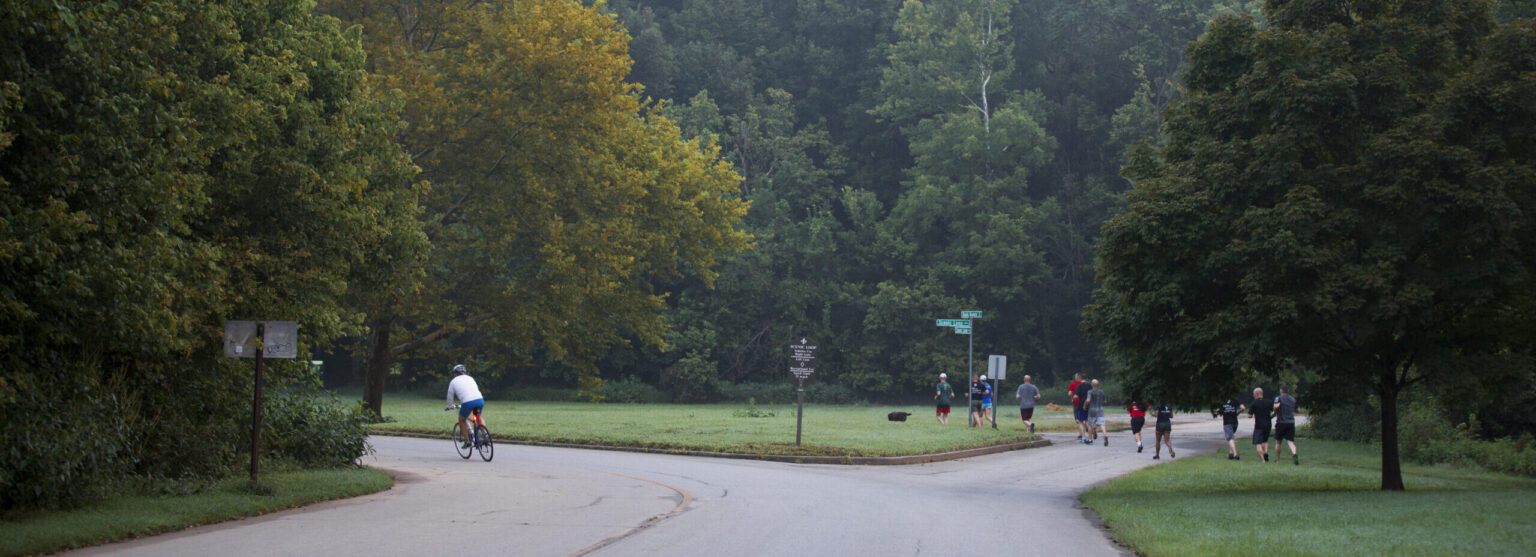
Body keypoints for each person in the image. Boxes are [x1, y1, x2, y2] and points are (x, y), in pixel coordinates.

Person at [445, 364, 485, 449]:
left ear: (455, 373)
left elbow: (450, 396)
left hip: (468, 403)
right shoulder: (470, 378)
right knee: (476, 417)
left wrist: (449, 405)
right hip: (479, 400)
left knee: (462, 420)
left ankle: (467, 441)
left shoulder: (453, 381)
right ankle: (485, 435)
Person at [1274, 385, 1299, 465]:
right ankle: (1294, 453)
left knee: (1278, 442)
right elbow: (1298, 410)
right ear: (1288, 391)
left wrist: (1275, 411)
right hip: (1291, 423)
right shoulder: (1293, 399)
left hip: (1281, 422)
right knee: (1291, 442)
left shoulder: (1278, 398)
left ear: (1281, 391)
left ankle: (1278, 460)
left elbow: (1275, 406)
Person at [1249, 388, 1273, 462]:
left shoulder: (1254, 403)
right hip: (1268, 424)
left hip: (1259, 425)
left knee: (1258, 443)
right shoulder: (1269, 402)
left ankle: (1263, 460)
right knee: (1265, 440)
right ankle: (1265, 452)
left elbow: (1249, 415)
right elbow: (1274, 411)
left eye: (1254, 395)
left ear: (1256, 394)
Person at [1086, 379, 1108, 446]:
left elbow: (1088, 400)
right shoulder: (1101, 392)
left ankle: (1090, 439)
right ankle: (1104, 435)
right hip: (1100, 409)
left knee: (1090, 424)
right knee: (1102, 424)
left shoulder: (1090, 391)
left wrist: (1085, 404)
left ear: (1092, 384)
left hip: (1092, 409)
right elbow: (1105, 401)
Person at [1074, 375, 1094, 441]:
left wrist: (1073, 400)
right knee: (1089, 422)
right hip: (1090, 406)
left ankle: (1083, 438)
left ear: (1081, 379)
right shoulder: (1090, 386)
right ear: (1087, 379)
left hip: (1081, 406)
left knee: (1081, 422)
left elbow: (1076, 396)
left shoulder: (1079, 386)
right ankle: (1090, 438)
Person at [1067, 373, 1086, 442]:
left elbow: (1069, 393)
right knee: (1084, 417)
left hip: (1076, 403)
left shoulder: (1073, 384)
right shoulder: (1086, 384)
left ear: (1077, 377)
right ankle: (1083, 431)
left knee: (1078, 419)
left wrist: (1072, 397)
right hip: (1085, 403)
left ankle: (1081, 433)